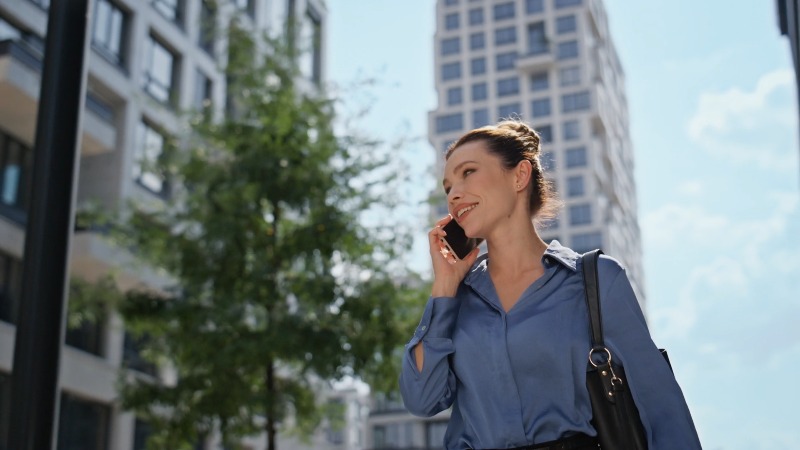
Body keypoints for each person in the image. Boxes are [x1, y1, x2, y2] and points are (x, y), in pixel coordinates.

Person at [399, 120, 701, 450]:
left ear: (519, 176)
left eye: (468, 172)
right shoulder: (455, 299)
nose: (454, 194)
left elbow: (662, 410)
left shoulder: (595, 281)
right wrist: (444, 288)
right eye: (447, 187)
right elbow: (422, 400)